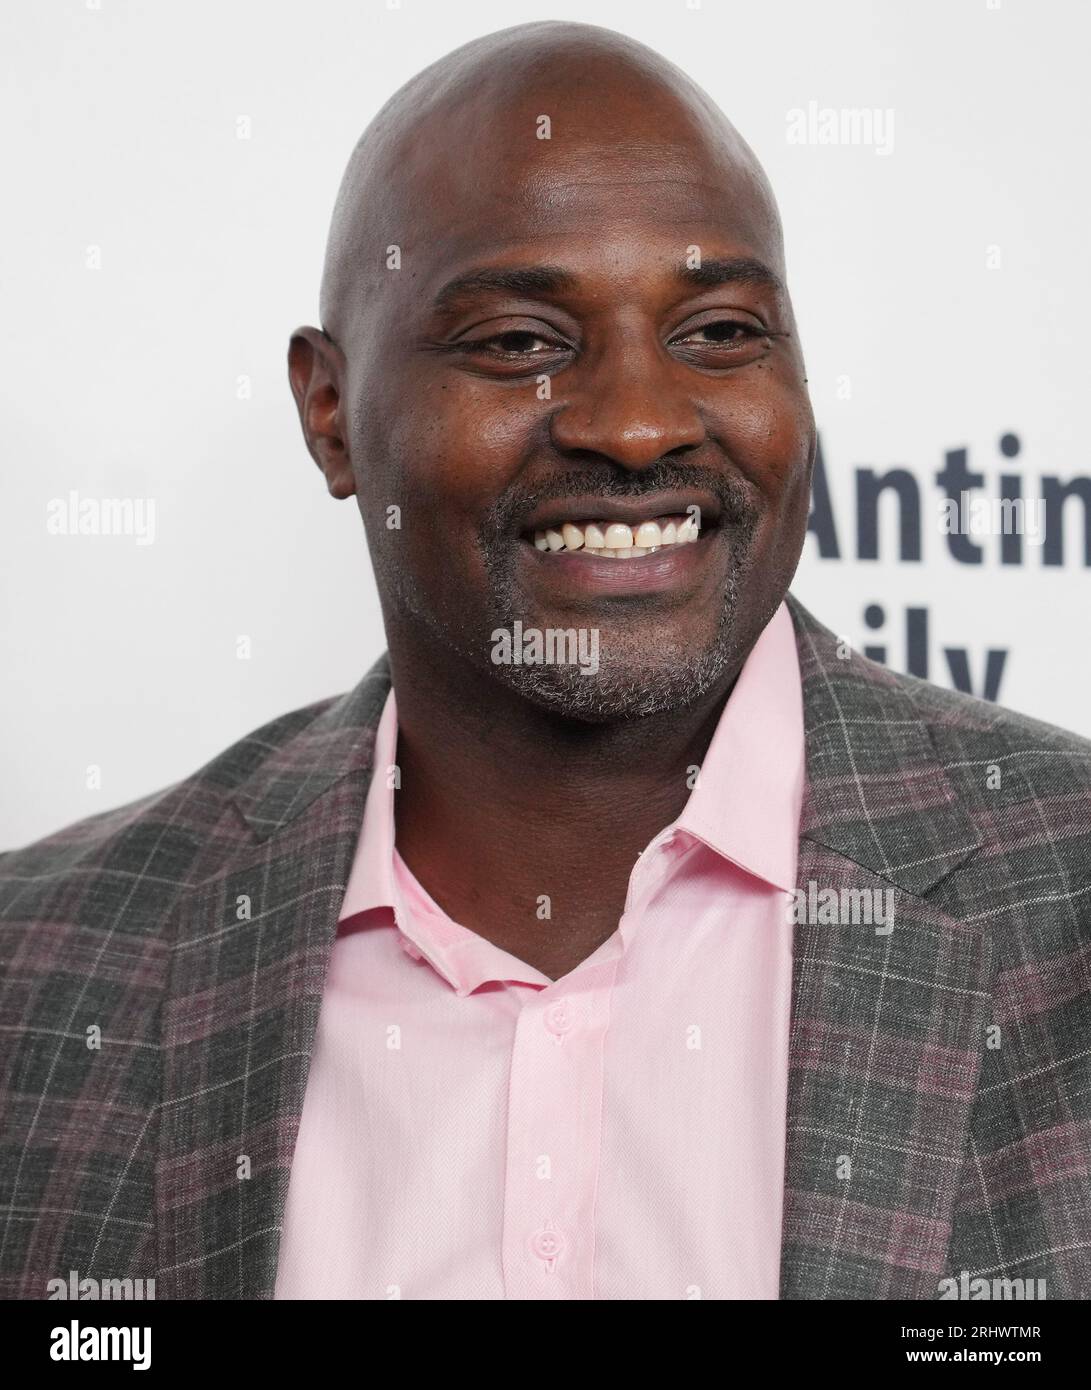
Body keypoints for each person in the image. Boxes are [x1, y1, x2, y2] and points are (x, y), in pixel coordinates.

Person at [2, 21, 1089, 1302]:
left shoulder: (1064, 898)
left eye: (720, 332)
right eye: (519, 342)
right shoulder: (40, 971)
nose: (636, 424)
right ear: (329, 410)